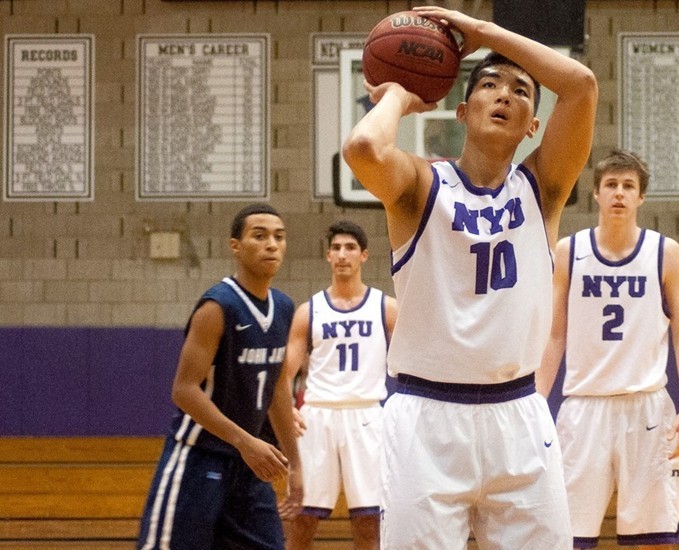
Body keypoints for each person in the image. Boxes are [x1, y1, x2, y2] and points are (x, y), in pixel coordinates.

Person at [341, 5, 598, 549]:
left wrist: (481, 33)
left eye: (522, 90)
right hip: (426, 420)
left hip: (519, 416)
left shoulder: (543, 188)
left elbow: (579, 85)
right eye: (489, 84)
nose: (505, 93)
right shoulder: (419, 185)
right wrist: (398, 95)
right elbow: (364, 148)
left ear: (534, 125)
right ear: (461, 111)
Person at [537, 150, 679, 549]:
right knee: (567, 537)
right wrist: (536, 404)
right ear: (595, 193)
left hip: (646, 407)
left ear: (641, 197)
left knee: (654, 539)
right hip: (583, 409)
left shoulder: (666, 253)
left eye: (629, 186)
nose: (619, 194)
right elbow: (554, 335)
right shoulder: (568, 252)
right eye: (611, 185)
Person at [136, 203, 302, 550]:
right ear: (235, 246)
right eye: (259, 236)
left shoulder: (284, 308)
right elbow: (183, 390)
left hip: (250, 467)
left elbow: (276, 390)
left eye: (279, 237)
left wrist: (296, 463)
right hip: (199, 458)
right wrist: (245, 442)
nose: (271, 244)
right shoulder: (218, 306)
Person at [283, 221, 397, 550]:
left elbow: (415, 360)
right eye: (336, 248)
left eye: (350, 248)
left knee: (369, 522)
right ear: (328, 256)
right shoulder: (309, 311)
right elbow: (286, 371)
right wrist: (287, 407)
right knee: (302, 519)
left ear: (364, 255)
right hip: (318, 416)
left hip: (367, 416)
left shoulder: (385, 307)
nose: (342, 254)